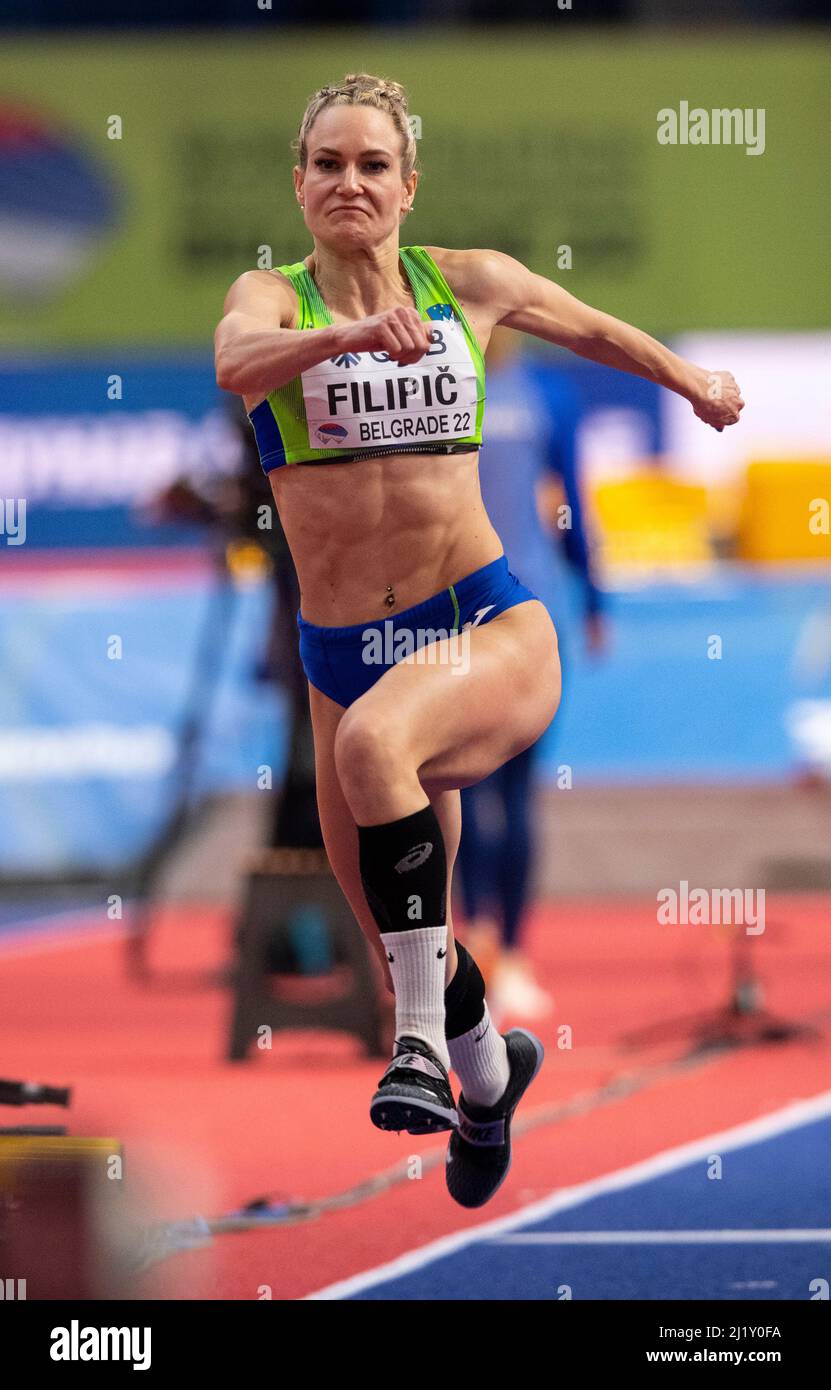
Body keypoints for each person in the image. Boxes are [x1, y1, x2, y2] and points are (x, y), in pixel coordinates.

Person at [213, 72, 744, 1209]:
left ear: (409, 186)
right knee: (411, 931)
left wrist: (692, 379)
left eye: (371, 165)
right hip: (341, 653)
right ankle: (487, 1075)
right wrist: (349, 335)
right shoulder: (271, 298)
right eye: (327, 164)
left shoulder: (470, 286)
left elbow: (590, 326)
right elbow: (233, 363)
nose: (348, 182)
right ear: (299, 184)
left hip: (484, 623)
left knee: (368, 759)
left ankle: (412, 1047)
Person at [455, 326, 605, 1020]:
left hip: (527, 617)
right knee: (455, 794)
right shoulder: (437, 388)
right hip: (451, 614)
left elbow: (572, 499)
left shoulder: (547, 395)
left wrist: (595, 597)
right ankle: (472, 945)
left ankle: (508, 952)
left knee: (511, 797)